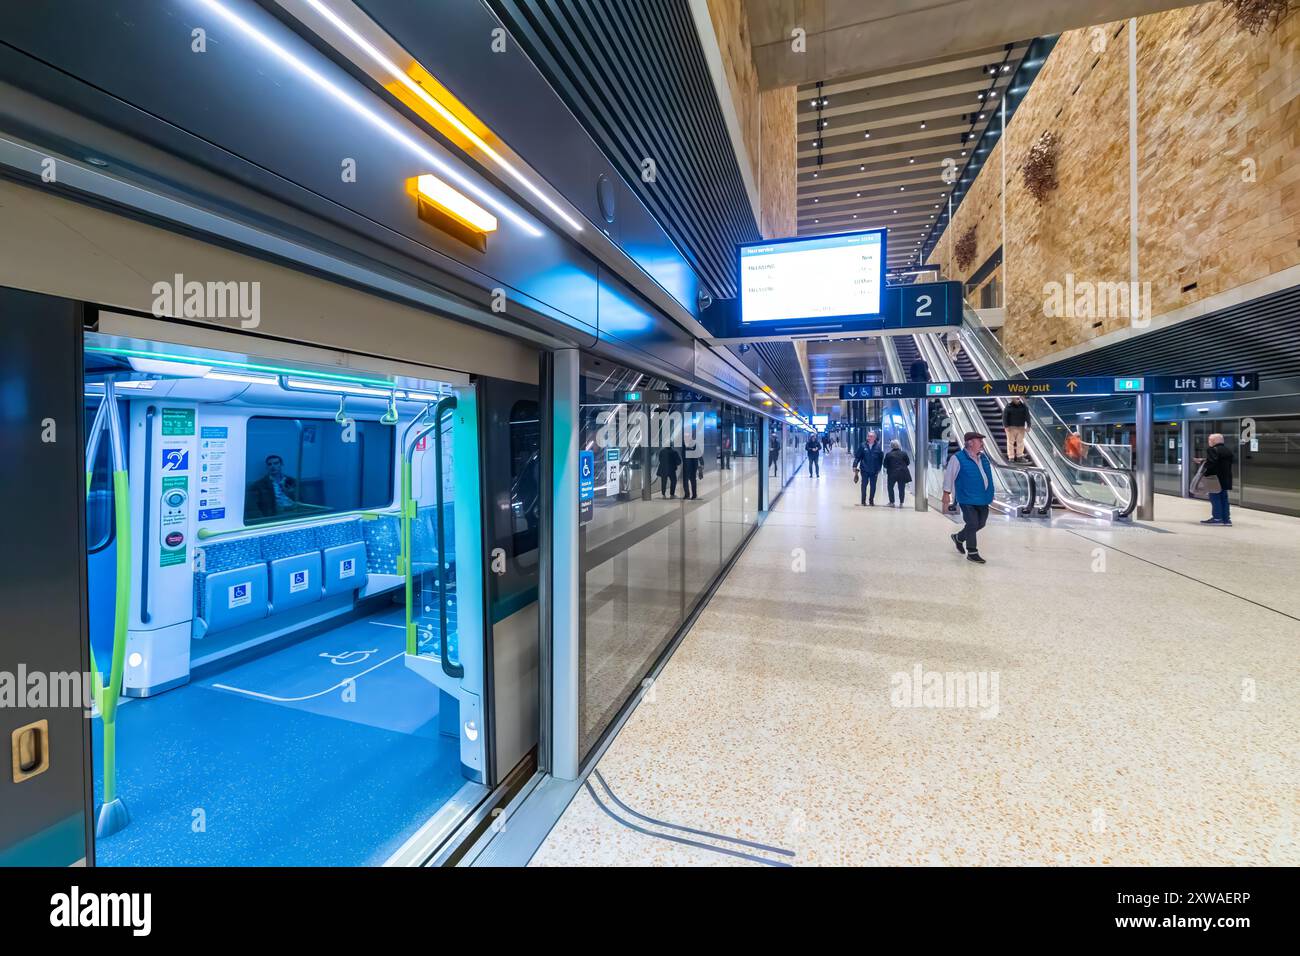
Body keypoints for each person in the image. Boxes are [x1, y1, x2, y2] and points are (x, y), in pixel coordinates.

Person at [942, 431, 995, 564]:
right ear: (970, 443)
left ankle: (958, 537)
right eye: (979, 441)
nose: (982, 444)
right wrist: (946, 494)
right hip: (966, 497)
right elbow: (949, 476)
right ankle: (972, 552)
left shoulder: (984, 458)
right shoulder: (958, 458)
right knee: (972, 523)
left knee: (980, 523)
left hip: (983, 497)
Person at [1198, 433, 1234, 526]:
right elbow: (1221, 462)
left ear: (1213, 441)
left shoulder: (1212, 450)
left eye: (1209, 440)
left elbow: (1212, 464)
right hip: (1226, 478)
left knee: (1215, 498)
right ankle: (1226, 520)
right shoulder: (1228, 450)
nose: (1208, 442)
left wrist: (1204, 467)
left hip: (1215, 479)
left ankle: (1217, 518)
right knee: (1224, 498)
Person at [247, 454, 298, 519]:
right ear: (267, 467)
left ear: (281, 465)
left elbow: (300, 499)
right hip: (276, 514)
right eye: (269, 464)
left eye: (276, 463)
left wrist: (288, 492)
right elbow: (252, 507)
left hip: (295, 510)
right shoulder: (259, 485)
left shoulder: (291, 480)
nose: (273, 466)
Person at [852, 429, 884, 506]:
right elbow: (857, 457)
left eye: (871, 436)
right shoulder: (863, 446)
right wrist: (854, 465)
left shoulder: (878, 447)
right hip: (864, 469)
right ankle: (863, 501)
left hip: (874, 470)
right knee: (864, 485)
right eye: (868, 436)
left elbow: (881, 459)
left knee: (873, 486)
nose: (869, 437)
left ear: (875, 438)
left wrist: (879, 468)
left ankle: (871, 500)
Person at [883, 439, 912, 507]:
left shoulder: (888, 454)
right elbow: (908, 462)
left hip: (892, 474)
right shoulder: (904, 453)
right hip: (902, 473)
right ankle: (901, 503)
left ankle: (892, 502)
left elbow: (885, 465)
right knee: (901, 488)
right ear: (899, 445)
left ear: (891, 446)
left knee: (890, 487)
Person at [1003, 396, 1031, 462]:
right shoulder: (1008, 406)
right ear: (1012, 399)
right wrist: (1006, 426)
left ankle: (1019, 456)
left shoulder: (1024, 407)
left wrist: (1028, 426)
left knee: (1020, 442)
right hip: (1011, 428)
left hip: (1021, 427)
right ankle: (1011, 457)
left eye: (1018, 398)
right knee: (1010, 442)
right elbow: (1005, 417)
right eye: (1015, 398)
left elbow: (1027, 416)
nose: (1017, 399)